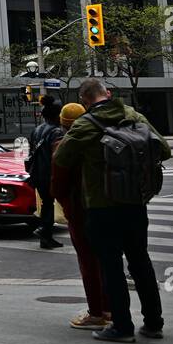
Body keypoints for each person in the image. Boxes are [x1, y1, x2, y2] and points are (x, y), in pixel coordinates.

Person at [53, 78, 170, 343]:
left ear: (84, 101)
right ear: (108, 93)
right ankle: (153, 323)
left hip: (101, 205)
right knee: (141, 261)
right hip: (135, 202)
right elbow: (162, 149)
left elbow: (61, 159)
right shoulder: (134, 116)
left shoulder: (85, 124)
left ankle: (122, 326)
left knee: (111, 266)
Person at [51, 103, 109, 330]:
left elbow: (57, 185)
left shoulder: (63, 145)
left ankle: (96, 312)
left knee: (88, 262)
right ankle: (110, 307)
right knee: (107, 259)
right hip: (107, 205)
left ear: (63, 123)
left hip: (80, 208)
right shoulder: (102, 139)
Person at [27, 102, 64, 249]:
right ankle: (45, 234)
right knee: (49, 204)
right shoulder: (56, 132)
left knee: (46, 204)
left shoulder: (37, 130)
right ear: (56, 115)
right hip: (49, 173)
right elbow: (57, 156)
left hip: (37, 173)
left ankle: (46, 236)